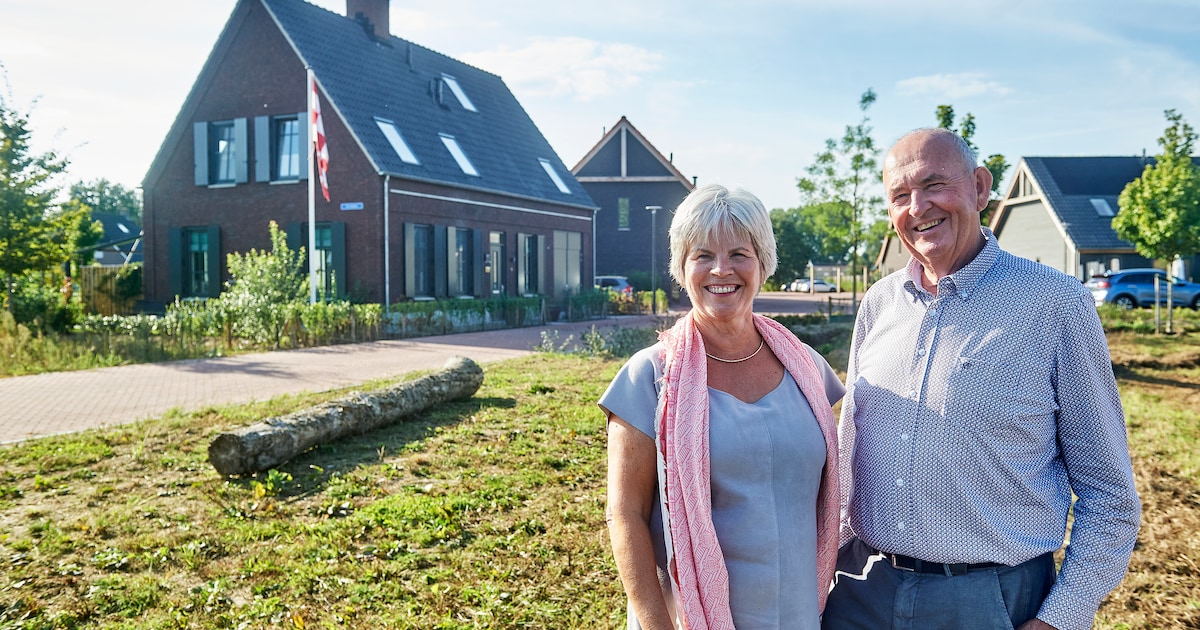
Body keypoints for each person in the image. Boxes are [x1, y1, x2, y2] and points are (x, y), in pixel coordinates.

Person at [823, 128, 1141, 630]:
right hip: (861, 592)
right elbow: (850, 454)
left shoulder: (1056, 304)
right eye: (900, 195)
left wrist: (1063, 616)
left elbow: (1109, 493)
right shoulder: (880, 303)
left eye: (934, 185)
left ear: (979, 187)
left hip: (989, 601)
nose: (918, 207)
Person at [600, 184, 844, 629]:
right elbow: (625, 515)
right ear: (682, 268)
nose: (721, 270)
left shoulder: (807, 369)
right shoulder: (649, 378)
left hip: (800, 616)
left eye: (738, 254)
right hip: (691, 620)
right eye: (703, 255)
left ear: (763, 263)